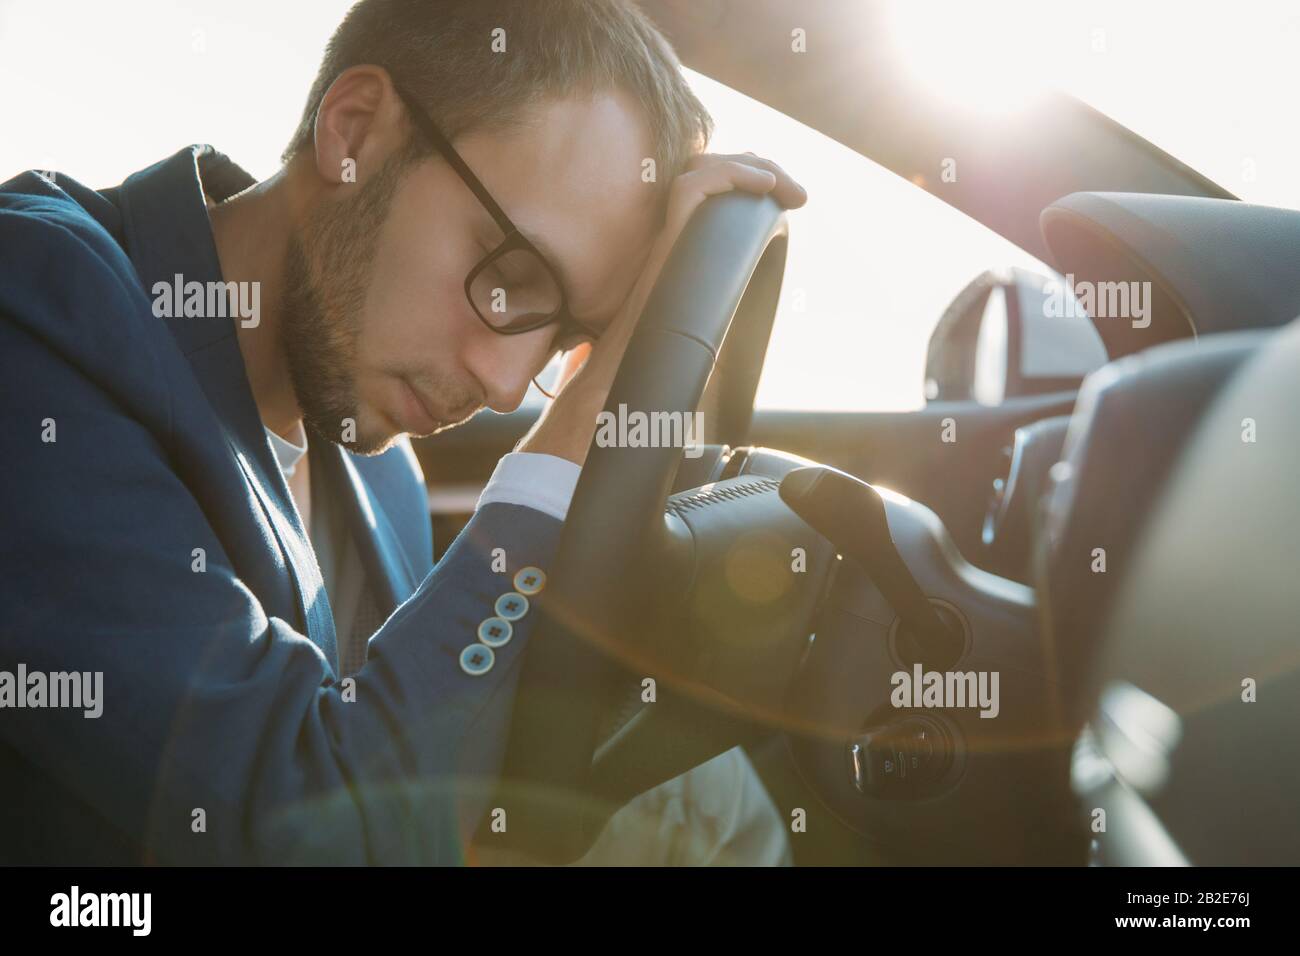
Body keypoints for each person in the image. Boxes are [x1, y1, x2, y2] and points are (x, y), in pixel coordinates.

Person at [0, 0, 804, 865]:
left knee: (709, 798)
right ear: (354, 132)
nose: (506, 386)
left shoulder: (385, 475)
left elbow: (411, 761)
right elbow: (307, 828)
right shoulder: (36, 305)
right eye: (512, 277)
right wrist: (587, 414)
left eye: (569, 338)